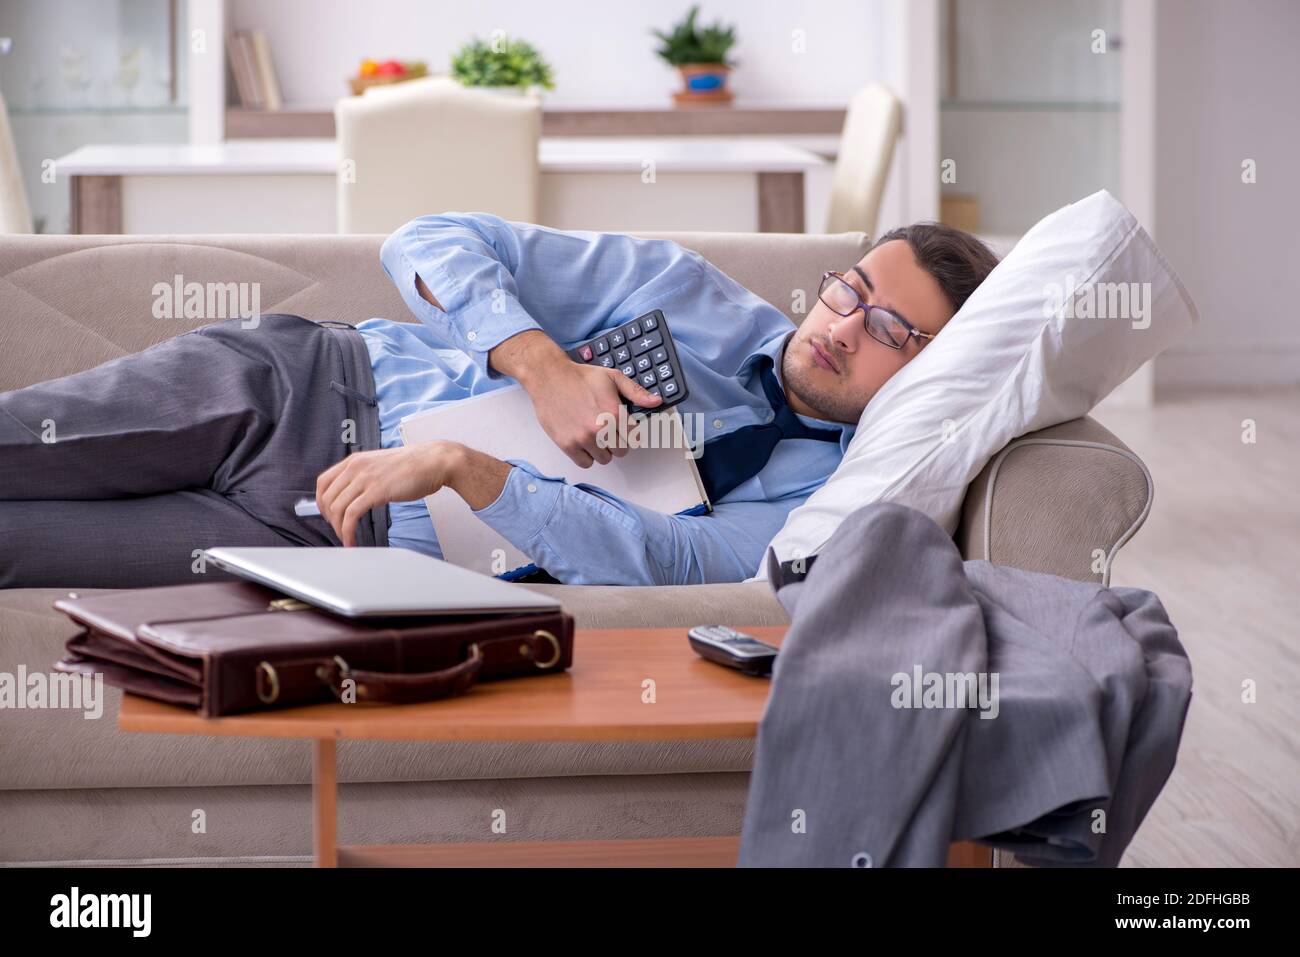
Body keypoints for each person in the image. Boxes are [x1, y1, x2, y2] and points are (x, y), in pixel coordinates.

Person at [0, 213, 997, 588]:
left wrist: (471, 476)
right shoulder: (682, 290)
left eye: (889, 332)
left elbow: (672, 561)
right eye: (850, 291)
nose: (841, 326)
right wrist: (542, 366)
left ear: (932, 375)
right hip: (298, 391)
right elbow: (424, 242)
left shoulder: (823, 499)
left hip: (332, 544)